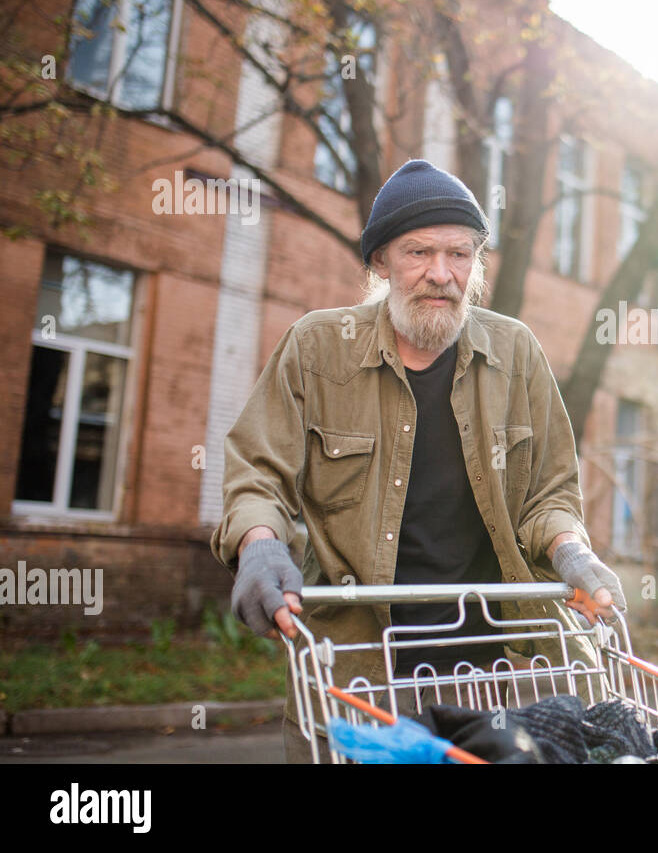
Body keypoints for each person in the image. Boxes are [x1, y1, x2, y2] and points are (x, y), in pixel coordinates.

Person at [209, 159, 626, 762]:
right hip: (354, 674)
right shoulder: (318, 348)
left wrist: (571, 552)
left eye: (460, 254)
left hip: (487, 676)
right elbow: (257, 471)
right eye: (418, 253)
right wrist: (260, 544)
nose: (441, 274)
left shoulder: (516, 352)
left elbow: (549, 494)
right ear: (380, 262)